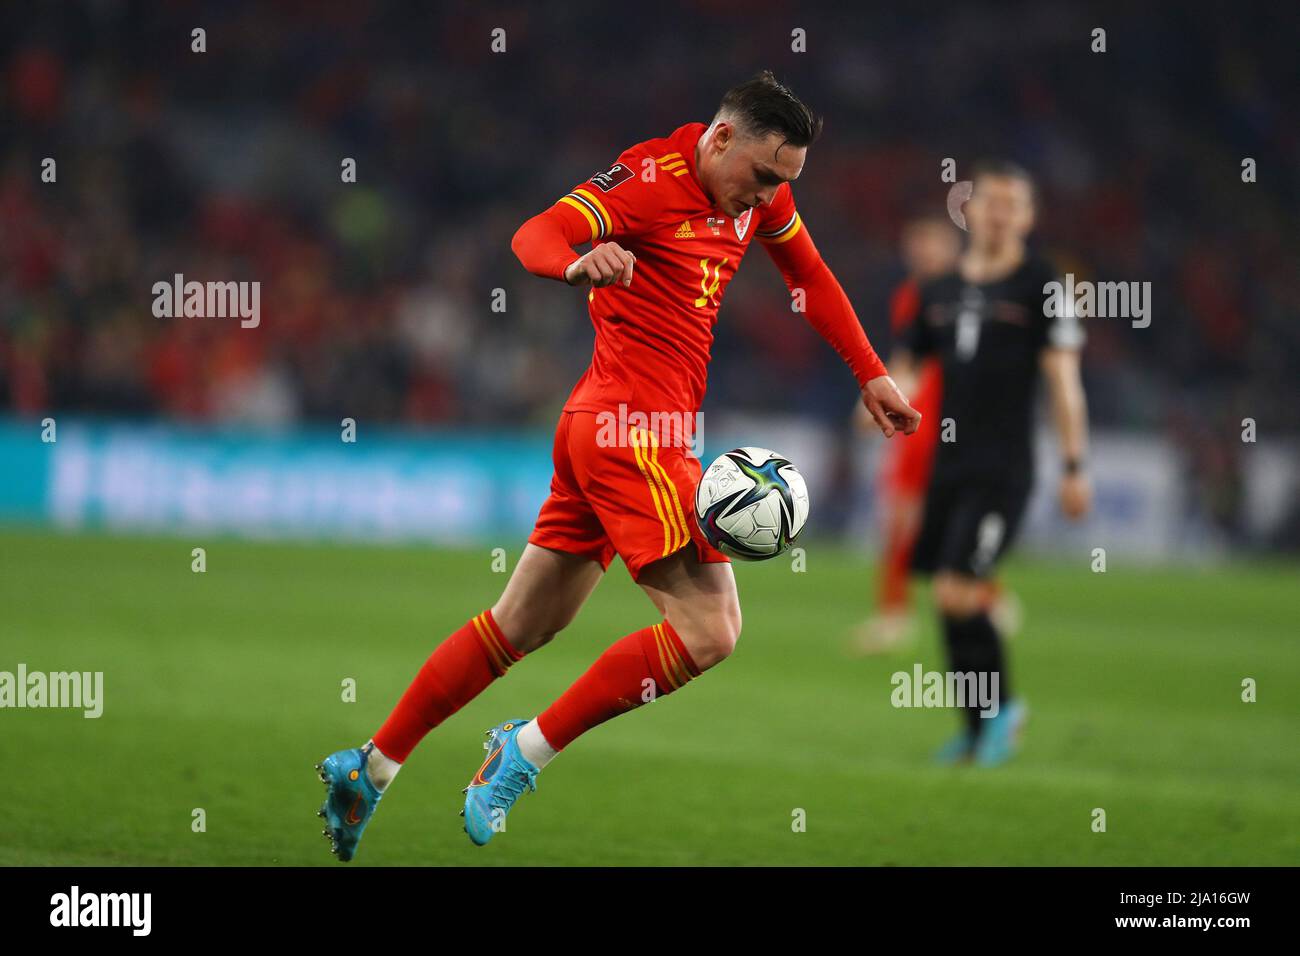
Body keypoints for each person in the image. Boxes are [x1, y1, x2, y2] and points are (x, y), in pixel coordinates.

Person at [315, 71, 920, 859]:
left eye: (785, 182)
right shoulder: (643, 182)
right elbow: (534, 233)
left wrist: (870, 371)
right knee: (712, 631)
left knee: (522, 624)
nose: (768, 194)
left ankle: (374, 765)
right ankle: (522, 752)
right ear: (720, 137)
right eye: (763, 175)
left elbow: (808, 275)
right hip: (634, 431)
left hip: (600, 426)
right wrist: (573, 266)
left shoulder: (760, 195)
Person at [889, 161, 1090, 765]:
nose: (999, 213)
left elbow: (1064, 379)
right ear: (969, 210)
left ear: (1028, 217)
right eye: (990, 202)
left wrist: (1075, 464)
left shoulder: (1042, 284)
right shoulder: (938, 289)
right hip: (947, 467)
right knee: (945, 594)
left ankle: (1003, 711)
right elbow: (909, 363)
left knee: (958, 589)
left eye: (1013, 205)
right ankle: (977, 731)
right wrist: (877, 398)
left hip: (1005, 469)